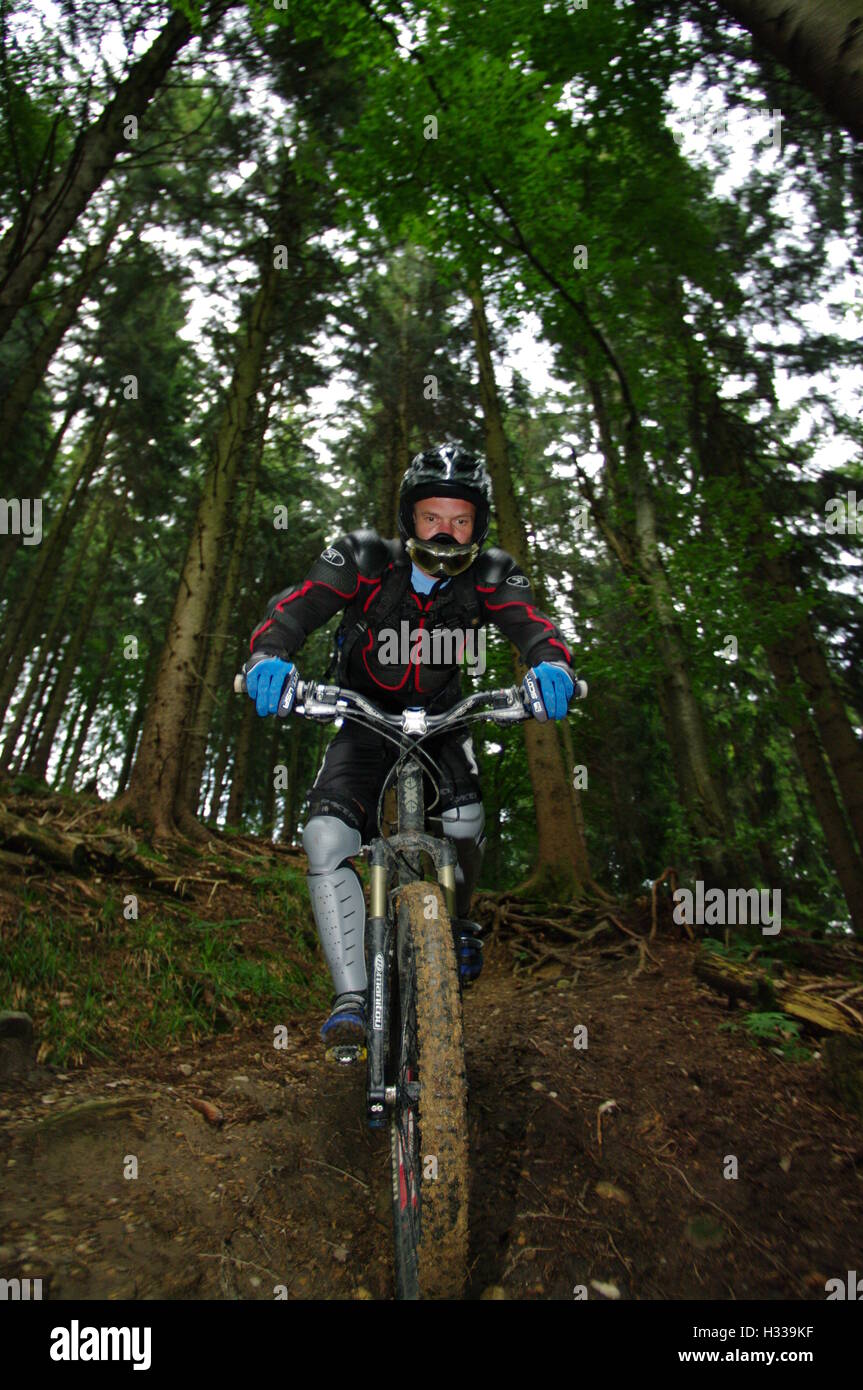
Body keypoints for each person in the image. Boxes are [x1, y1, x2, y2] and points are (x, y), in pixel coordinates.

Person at [243, 444, 579, 1049]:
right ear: (409, 519)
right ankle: (351, 993)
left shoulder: (493, 573)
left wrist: (551, 667)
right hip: (364, 718)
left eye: (461, 519)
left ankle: (461, 920)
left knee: (466, 816)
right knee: (325, 836)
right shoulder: (364, 558)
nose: (445, 532)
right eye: (432, 516)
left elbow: (533, 625)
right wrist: (269, 656)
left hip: (445, 719)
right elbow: (298, 607)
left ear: (479, 525)